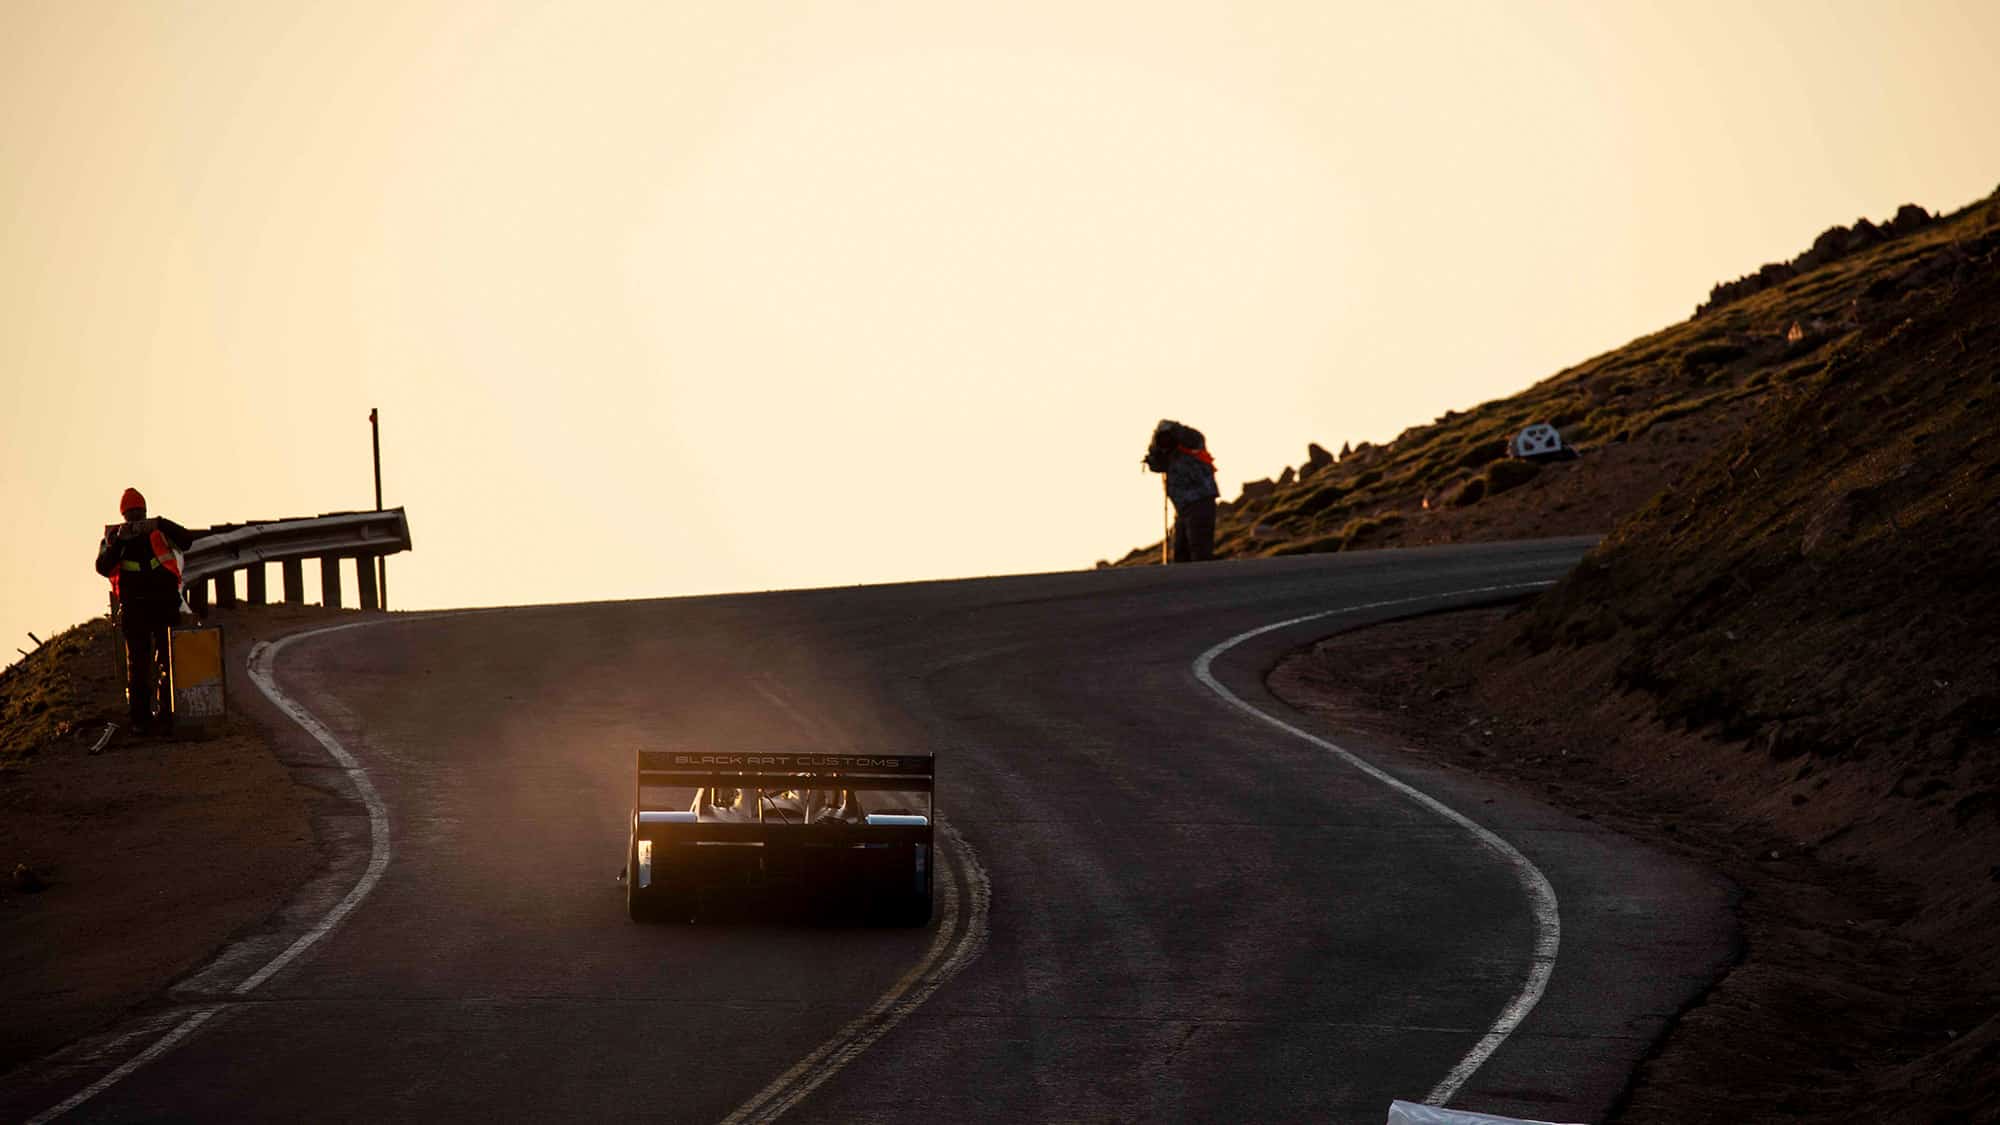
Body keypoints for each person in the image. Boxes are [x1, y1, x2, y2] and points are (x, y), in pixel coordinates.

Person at [94, 488, 196, 734]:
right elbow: (103, 567)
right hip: (137, 609)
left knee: (166, 661)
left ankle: (167, 714)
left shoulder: (158, 532)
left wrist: (160, 523)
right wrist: (120, 540)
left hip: (162, 605)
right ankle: (141, 719)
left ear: (146, 512)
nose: (135, 520)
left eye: (139, 514)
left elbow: (187, 540)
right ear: (123, 516)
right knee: (140, 666)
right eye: (131, 515)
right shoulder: (113, 538)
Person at [1143, 419, 1219, 562]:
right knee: (1181, 552)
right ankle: (1187, 575)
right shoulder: (1169, 454)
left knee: (1199, 549)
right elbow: (1156, 465)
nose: (1165, 440)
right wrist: (1155, 448)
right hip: (1182, 507)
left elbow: (1195, 440)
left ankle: (1205, 575)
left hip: (1200, 500)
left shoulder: (1191, 441)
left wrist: (1173, 431)